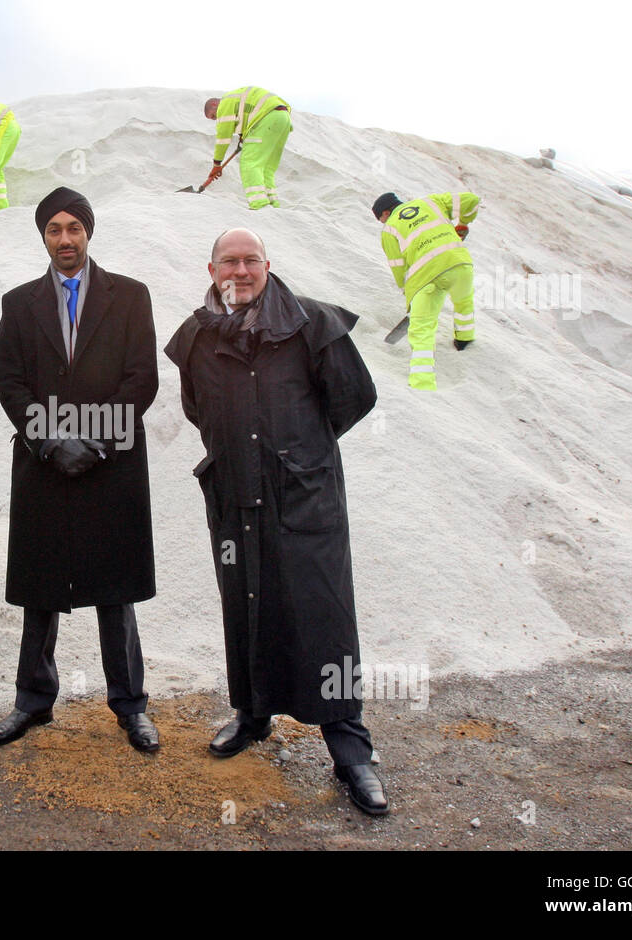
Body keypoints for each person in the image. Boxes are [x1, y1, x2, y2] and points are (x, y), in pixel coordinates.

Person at [163, 228, 389, 816]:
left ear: (268, 263)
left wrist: (299, 451)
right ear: (210, 268)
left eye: (250, 260)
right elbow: (197, 409)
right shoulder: (195, 336)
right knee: (245, 604)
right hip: (235, 494)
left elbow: (353, 398)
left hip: (304, 497)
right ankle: (252, 715)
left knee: (323, 612)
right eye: (228, 262)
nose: (239, 271)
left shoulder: (313, 323)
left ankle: (350, 749)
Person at [0, 186, 160, 752]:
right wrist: (51, 442)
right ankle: (32, 704)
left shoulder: (131, 296)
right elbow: (9, 381)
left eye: (74, 228)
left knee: (116, 591)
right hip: (44, 465)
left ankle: (130, 706)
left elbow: (141, 378)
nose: (65, 238)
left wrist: (99, 443)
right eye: (55, 229)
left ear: (88, 232)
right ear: (43, 236)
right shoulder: (18, 302)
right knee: (41, 589)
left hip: (111, 467)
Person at [373, 190, 482, 390]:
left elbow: (398, 266)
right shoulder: (431, 202)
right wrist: (464, 223)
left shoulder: (389, 230)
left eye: (380, 219)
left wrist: (409, 293)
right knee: (464, 301)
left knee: (422, 329)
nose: (382, 223)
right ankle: (464, 340)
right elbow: (472, 200)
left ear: (386, 213)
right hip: (459, 263)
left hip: (425, 278)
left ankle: (422, 383)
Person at [203, 87, 292, 209]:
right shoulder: (236, 99)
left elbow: (223, 138)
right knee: (266, 168)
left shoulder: (225, 104)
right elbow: (248, 115)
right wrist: (243, 136)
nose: (216, 119)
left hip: (266, 119)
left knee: (249, 163)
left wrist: (217, 164)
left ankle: (259, 204)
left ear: (214, 104)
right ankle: (273, 204)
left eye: (213, 116)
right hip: (283, 118)